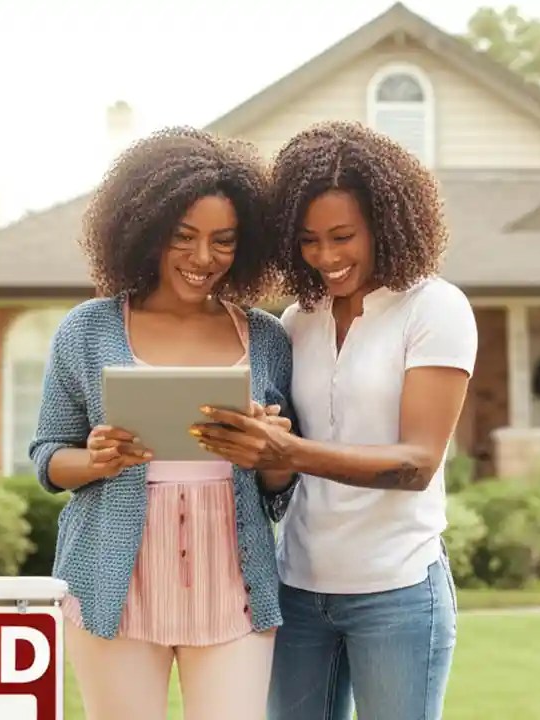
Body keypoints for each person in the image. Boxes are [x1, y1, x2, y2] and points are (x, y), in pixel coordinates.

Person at [193, 120, 478, 720]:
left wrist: (287, 452)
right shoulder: (299, 319)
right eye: (307, 240)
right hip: (298, 587)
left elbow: (417, 463)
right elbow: (291, 446)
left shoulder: (434, 308)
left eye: (343, 236)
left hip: (397, 588)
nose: (326, 257)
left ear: (387, 224)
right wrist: (260, 430)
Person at [27, 127, 296, 720]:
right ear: (146, 231)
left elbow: (280, 486)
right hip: (113, 581)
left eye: (223, 241)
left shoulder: (267, 338)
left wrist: (272, 451)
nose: (204, 259)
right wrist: (94, 460)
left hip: (233, 582)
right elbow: (48, 455)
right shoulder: (88, 330)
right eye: (184, 237)